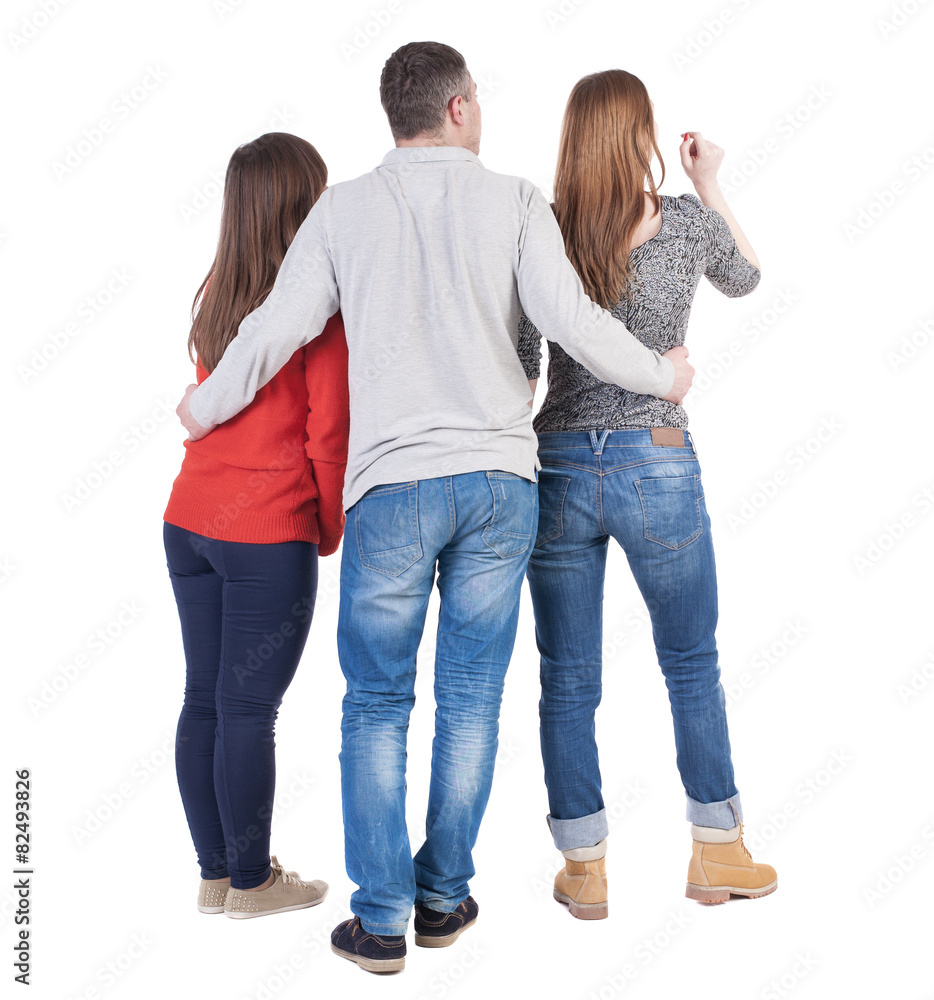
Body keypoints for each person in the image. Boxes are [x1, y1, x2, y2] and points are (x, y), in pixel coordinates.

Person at [175, 42, 695, 973]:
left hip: (391, 492)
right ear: (458, 108)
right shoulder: (517, 203)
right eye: (478, 100)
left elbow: (273, 329)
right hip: (502, 486)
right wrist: (664, 375)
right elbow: (575, 325)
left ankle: (380, 923)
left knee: (375, 705)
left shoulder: (341, 213)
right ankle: (443, 899)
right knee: (470, 700)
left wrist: (203, 404)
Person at [518, 69, 776, 918]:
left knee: (567, 678)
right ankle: (718, 851)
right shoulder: (685, 223)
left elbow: (523, 366)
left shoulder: (543, 233)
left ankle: (584, 867)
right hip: (656, 457)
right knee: (690, 663)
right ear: (641, 136)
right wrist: (708, 181)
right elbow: (746, 278)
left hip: (556, 462)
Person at [163, 132, 349, 919]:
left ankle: (217, 874)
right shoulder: (320, 306)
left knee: (203, 700)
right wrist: (328, 529)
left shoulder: (217, 287)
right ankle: (253, 883)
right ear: (307, 205)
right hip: (266, 532)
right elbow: (328, 431)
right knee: (249, 713)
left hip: (188, 521)